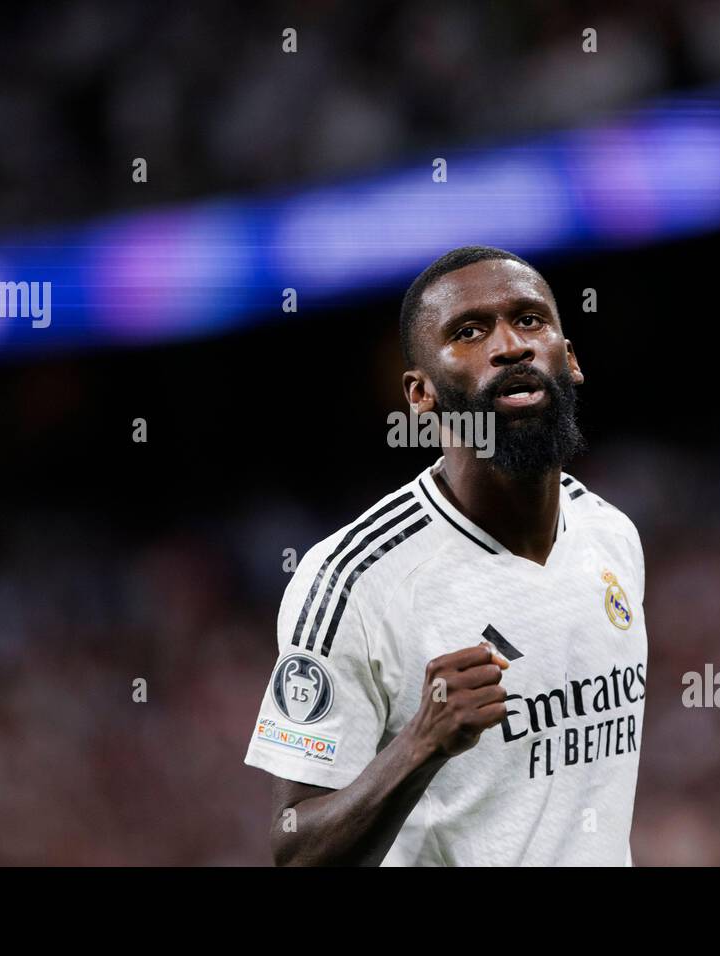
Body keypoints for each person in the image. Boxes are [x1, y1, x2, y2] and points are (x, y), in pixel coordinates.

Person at [243, 245, 647, 865]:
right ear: (421, 393)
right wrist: (420, 746)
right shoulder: (352, 579)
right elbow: (294, 848)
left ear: (570, 359)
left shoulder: (611, 535)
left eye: (531, 320)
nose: (510, 345)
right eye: (469, 332)